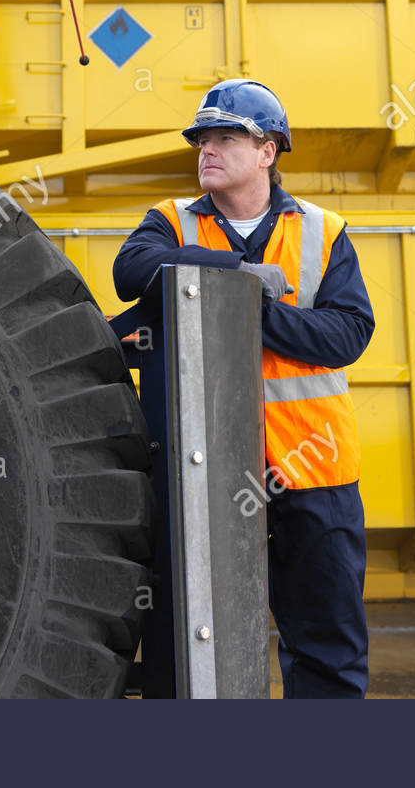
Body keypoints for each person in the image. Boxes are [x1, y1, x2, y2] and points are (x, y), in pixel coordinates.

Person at [113, 79, 376, 698]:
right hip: (201, 471)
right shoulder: (171, 221)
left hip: (312, 467)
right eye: (202, 139)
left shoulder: (323, 230)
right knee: (185, 636)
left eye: (226, 137)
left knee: (326, 640)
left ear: (269, 151)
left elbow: (347, 334)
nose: (207, 149)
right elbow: (132, 271)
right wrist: (237, 273)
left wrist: (247, 311)